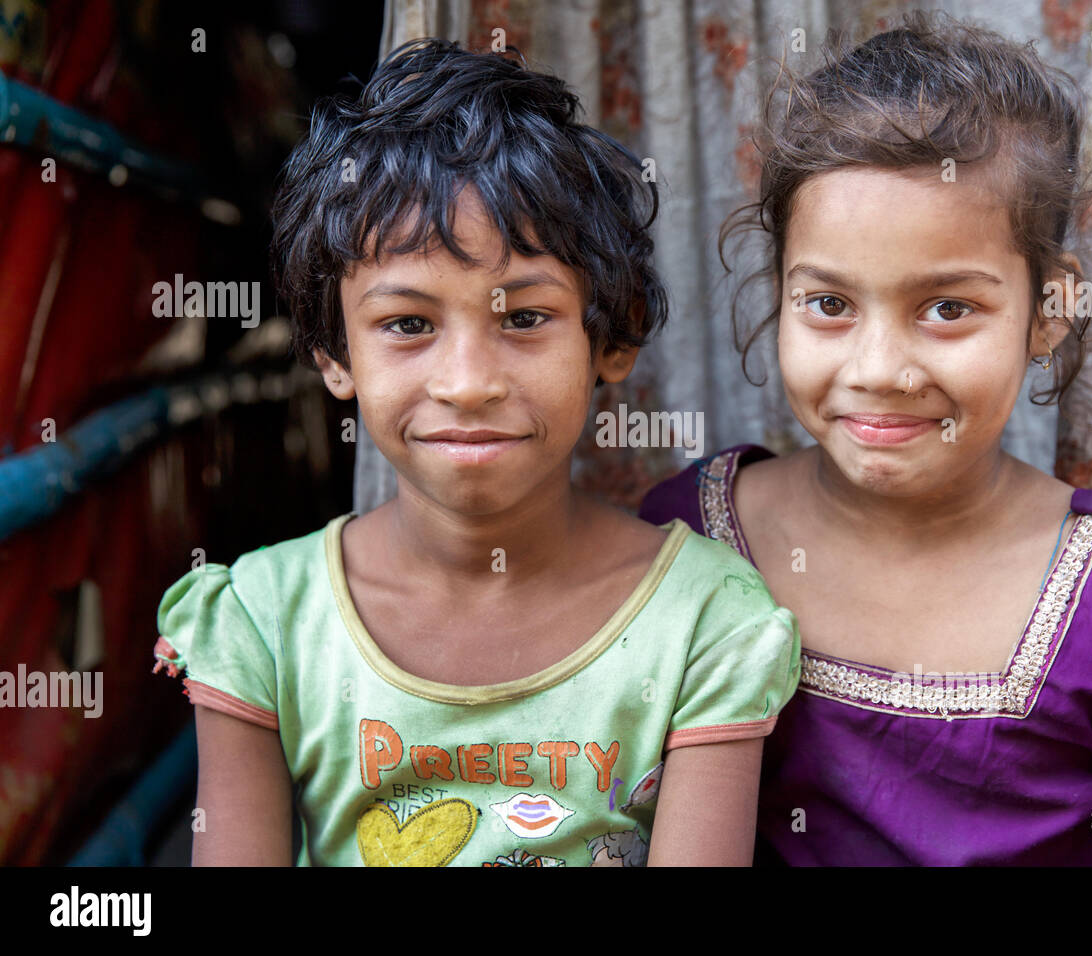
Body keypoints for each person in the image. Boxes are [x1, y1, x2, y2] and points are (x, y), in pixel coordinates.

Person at [152, 38, 800, 867]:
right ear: (333, 355)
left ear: (613, 336)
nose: (467, 383)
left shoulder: (703, 624)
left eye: (525, 318)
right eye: (408, 325)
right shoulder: (263, 624)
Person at [640, 12, 1092, 865]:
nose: (881, 368)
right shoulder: (687, 543)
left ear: (1050, 309)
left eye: (947, 308)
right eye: (829, 304)